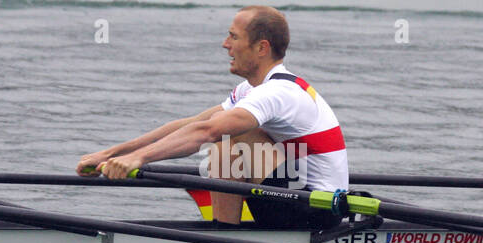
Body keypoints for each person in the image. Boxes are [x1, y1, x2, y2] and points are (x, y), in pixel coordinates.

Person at [77, 5, 347, 229]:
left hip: (318, 213)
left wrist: (139, 159)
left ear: (262, 48)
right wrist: (111, 153)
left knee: (228, 132)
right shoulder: (252, 90)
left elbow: (206, 132)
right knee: (223, 133)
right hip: (292, 197)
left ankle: (225, 236)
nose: (225, 44)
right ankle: (225, 231)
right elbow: (192, 124)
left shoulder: (279, 92)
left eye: (234, 37)